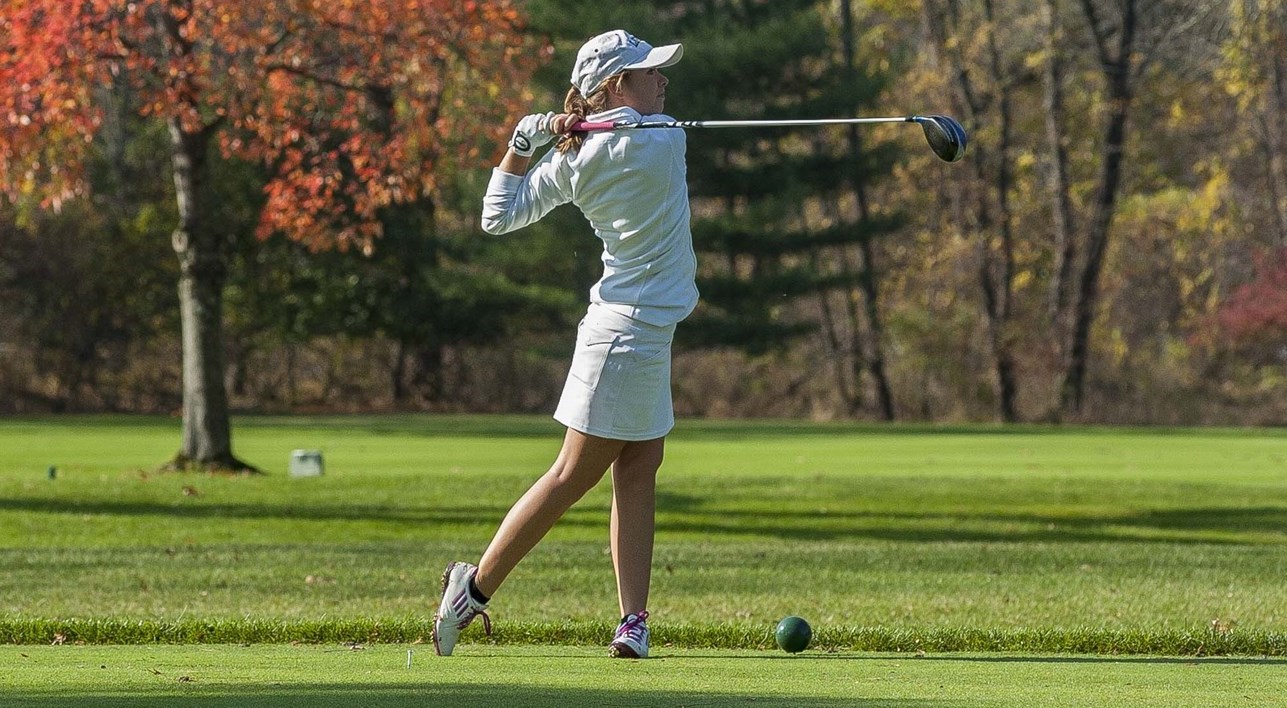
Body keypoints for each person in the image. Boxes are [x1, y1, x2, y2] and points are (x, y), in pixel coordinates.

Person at [432, 29, 695, 660]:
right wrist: (569, 132)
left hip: (642, 331)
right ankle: (473, 590)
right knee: (572, 474)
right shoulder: (663, 139)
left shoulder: (583, 155)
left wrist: (524, 145)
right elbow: (498, 221)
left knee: (639, 469)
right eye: (648, 73)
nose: (663, 81)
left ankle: (633, 619)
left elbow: (500, 211)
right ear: (615, 87)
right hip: (624, 333)